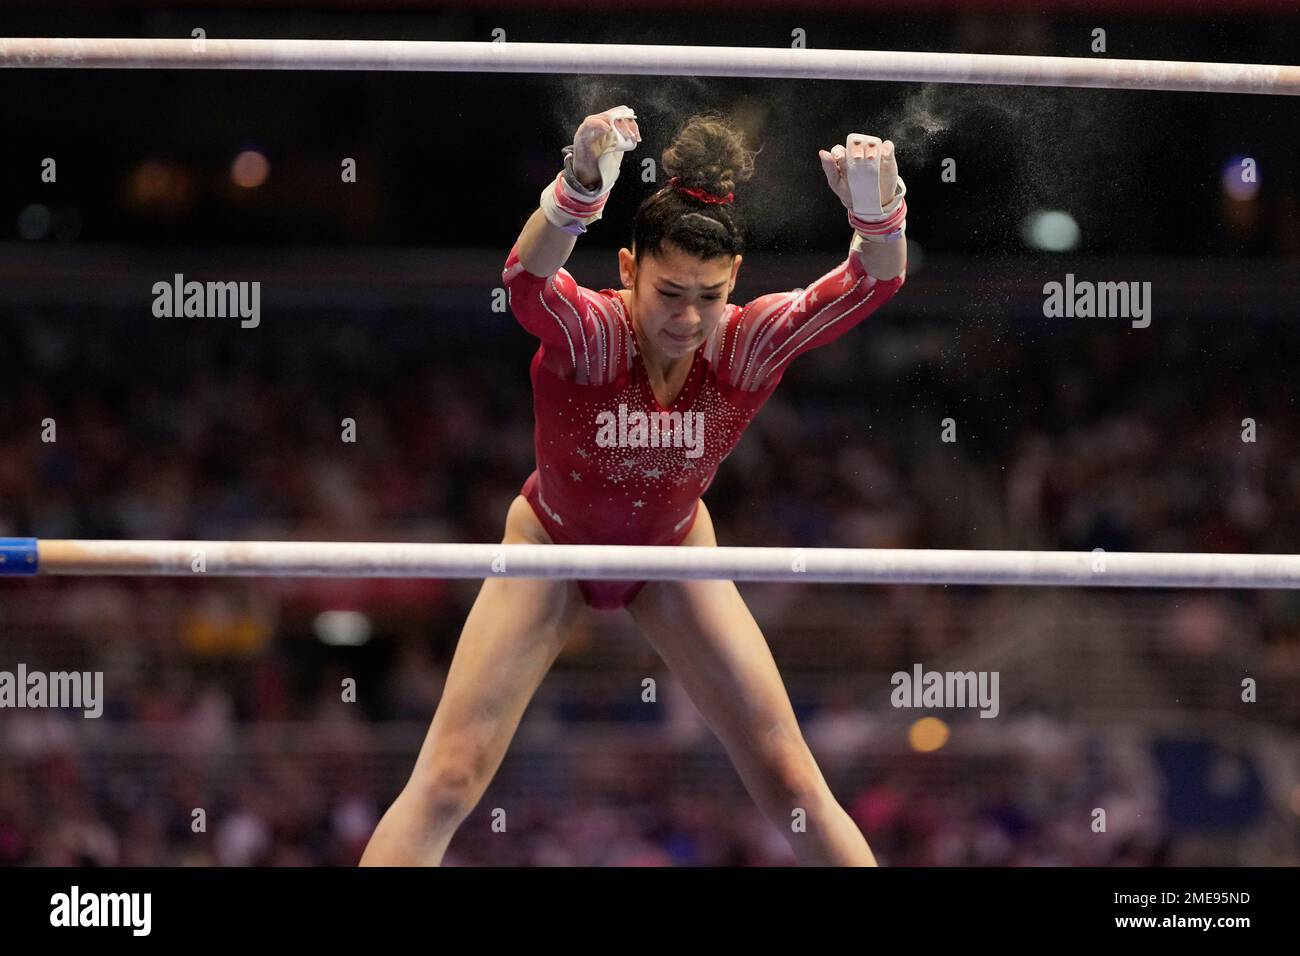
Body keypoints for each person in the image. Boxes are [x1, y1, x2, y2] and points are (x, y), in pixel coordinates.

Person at [361, 107, 908, 866]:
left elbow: (871, 285)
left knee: (791, 779)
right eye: (669, 293)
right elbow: (526, 283)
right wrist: (579, 187)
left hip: (672, 554)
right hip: (551, 547)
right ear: (627, 271)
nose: (688, 318)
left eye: (709, 296)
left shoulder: (747, 346)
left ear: (735, 283)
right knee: (450, 779)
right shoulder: (595, 338)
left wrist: (876, 214)